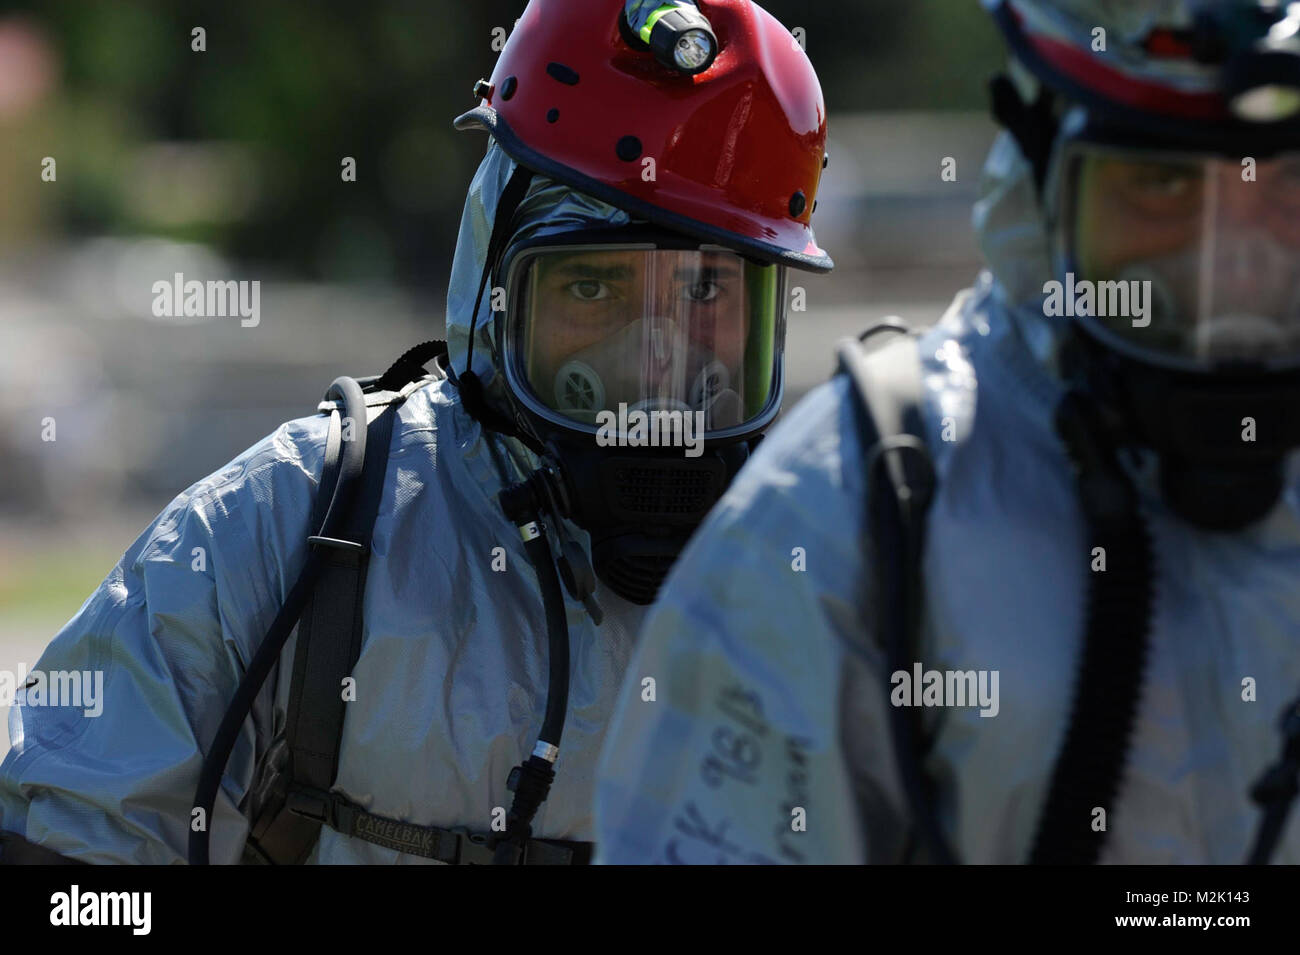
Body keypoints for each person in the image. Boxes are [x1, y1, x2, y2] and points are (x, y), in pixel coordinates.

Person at [0, 0, 831, 864]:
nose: (656, 372)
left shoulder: (820, 589)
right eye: (592, 290)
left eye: (706, 294)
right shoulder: (275, 540)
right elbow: (73, 864)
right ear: (490, 294)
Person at [594, 0, 1300, 865]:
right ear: (1041, 182)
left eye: (1282, 182)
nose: (1229, 260)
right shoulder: (838, 516)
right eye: (1159, 185)